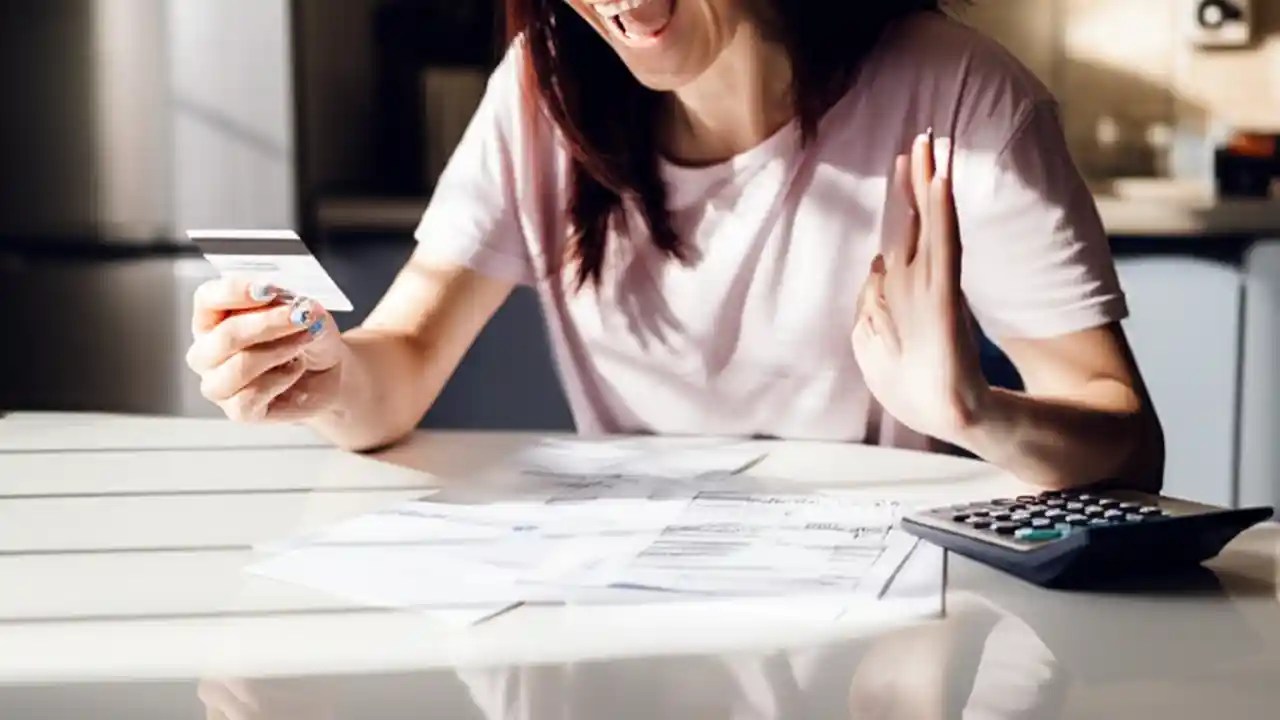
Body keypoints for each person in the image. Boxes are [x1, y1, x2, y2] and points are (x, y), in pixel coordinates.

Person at [185, 0, 1164, 490]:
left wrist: (975, 413)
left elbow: (1124, 440)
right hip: (624, 604)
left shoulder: (959, 93)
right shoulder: (542, 90)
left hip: (880, 623)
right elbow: (395, 368)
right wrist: (319, 373)